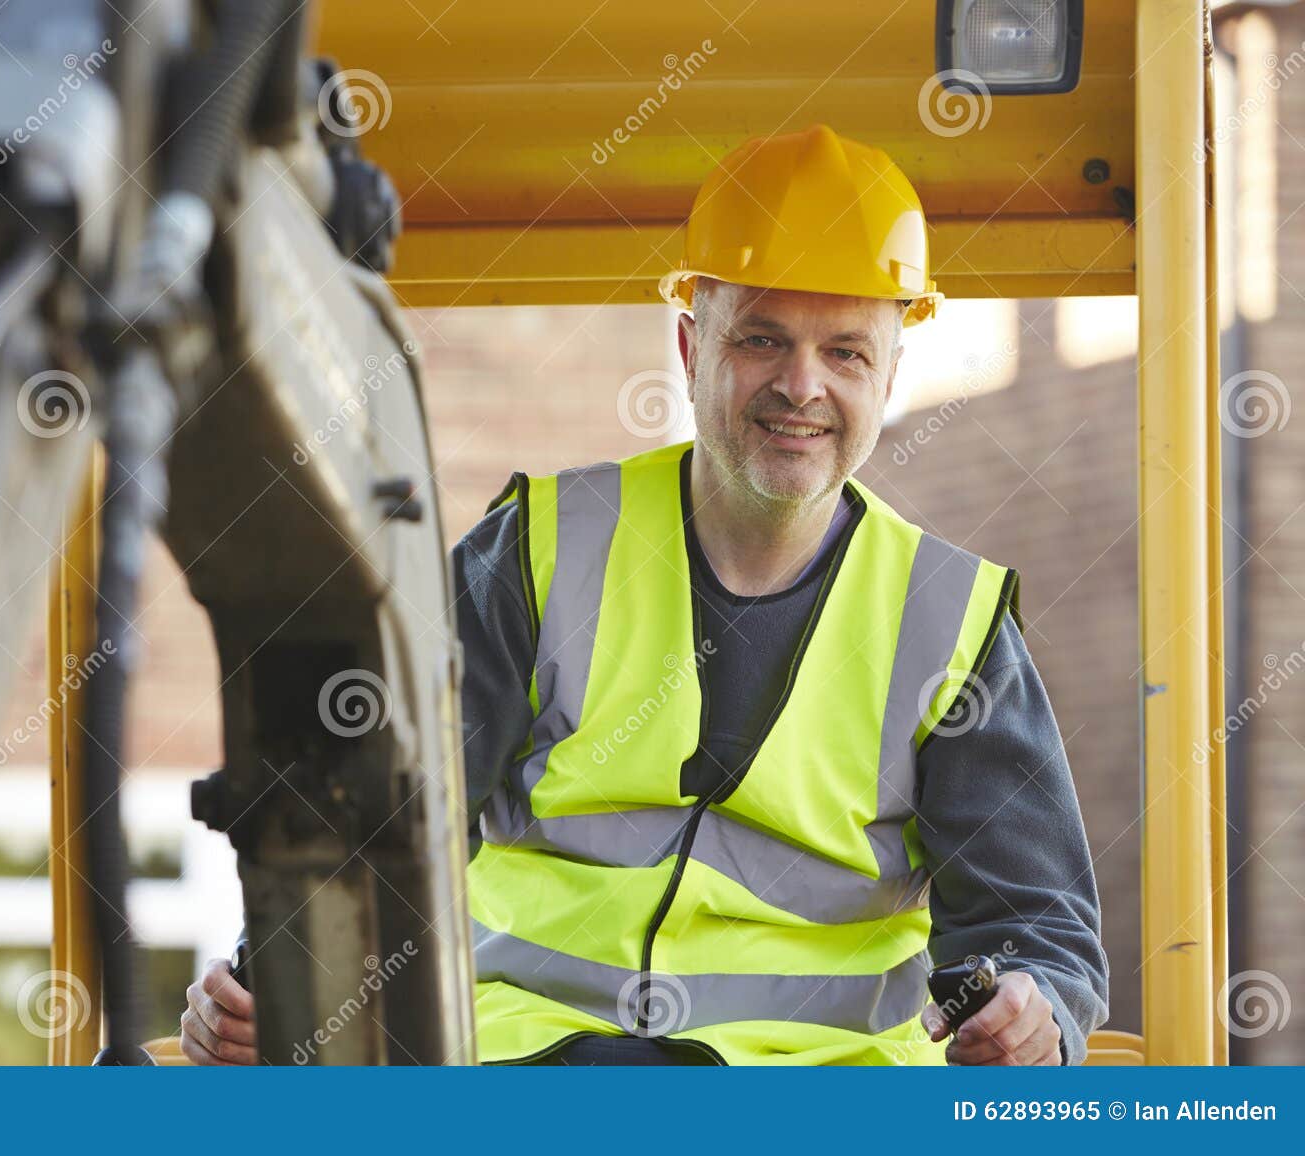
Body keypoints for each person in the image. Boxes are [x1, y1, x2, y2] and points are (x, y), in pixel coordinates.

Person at [181, 124, 1109, 1067]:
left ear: (890, 374)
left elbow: (1040, 930)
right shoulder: (539, 551)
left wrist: (1036, 1015)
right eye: (761, 339)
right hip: (534, 1072)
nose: (802, 385)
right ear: (690, 344)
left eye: (846, 353)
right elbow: (380, 811)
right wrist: (286, 985)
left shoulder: (951, 621)